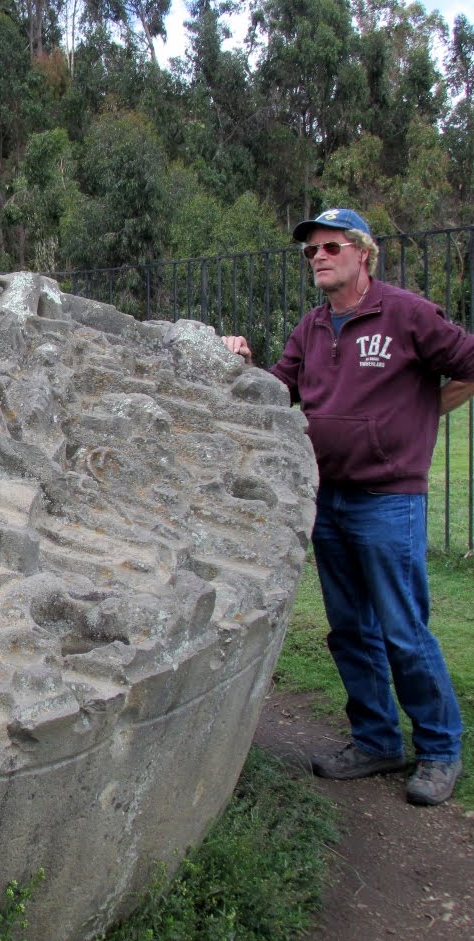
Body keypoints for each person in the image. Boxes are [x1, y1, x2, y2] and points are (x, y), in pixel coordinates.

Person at [223, 207, 474, 806]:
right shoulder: (311, 329)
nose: (318, 257)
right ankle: (376, 740)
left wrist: (422, 414)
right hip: (326, 497)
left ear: (364, 253)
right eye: (311, 251)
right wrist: (239, 364)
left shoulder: (406, 314)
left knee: (403, 630)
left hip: (388, 500)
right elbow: (277, 393)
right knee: (350, 630)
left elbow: (468, 366)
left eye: (330, 247)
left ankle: (439, 749)